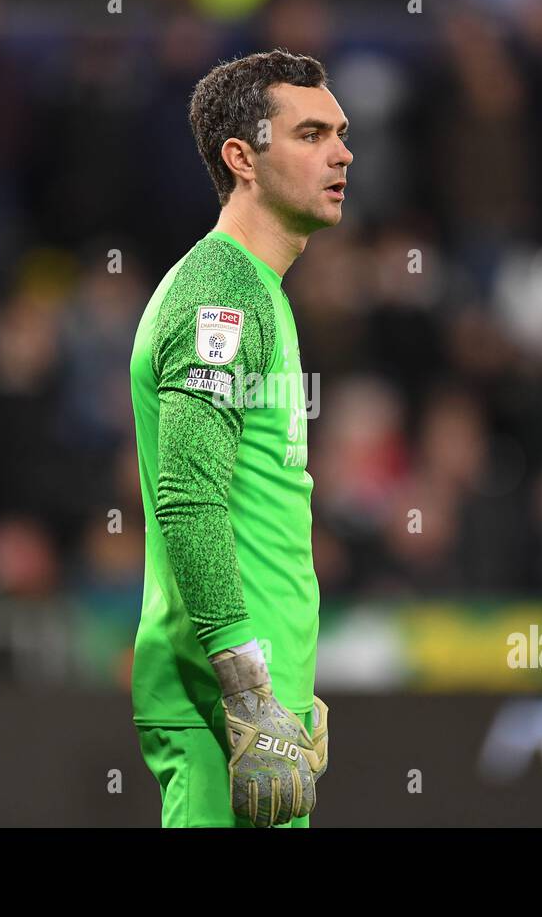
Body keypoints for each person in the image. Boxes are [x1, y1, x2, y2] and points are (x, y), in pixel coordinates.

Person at [128, 48, 352, 827]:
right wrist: (249, 692)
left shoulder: (260, 292)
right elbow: (188, 499)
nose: (342, 152)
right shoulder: (220, 296)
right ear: (242, 158)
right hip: (227, 713)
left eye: (341, 133)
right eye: (312, 134)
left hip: (259, 708)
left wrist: (284, 684)